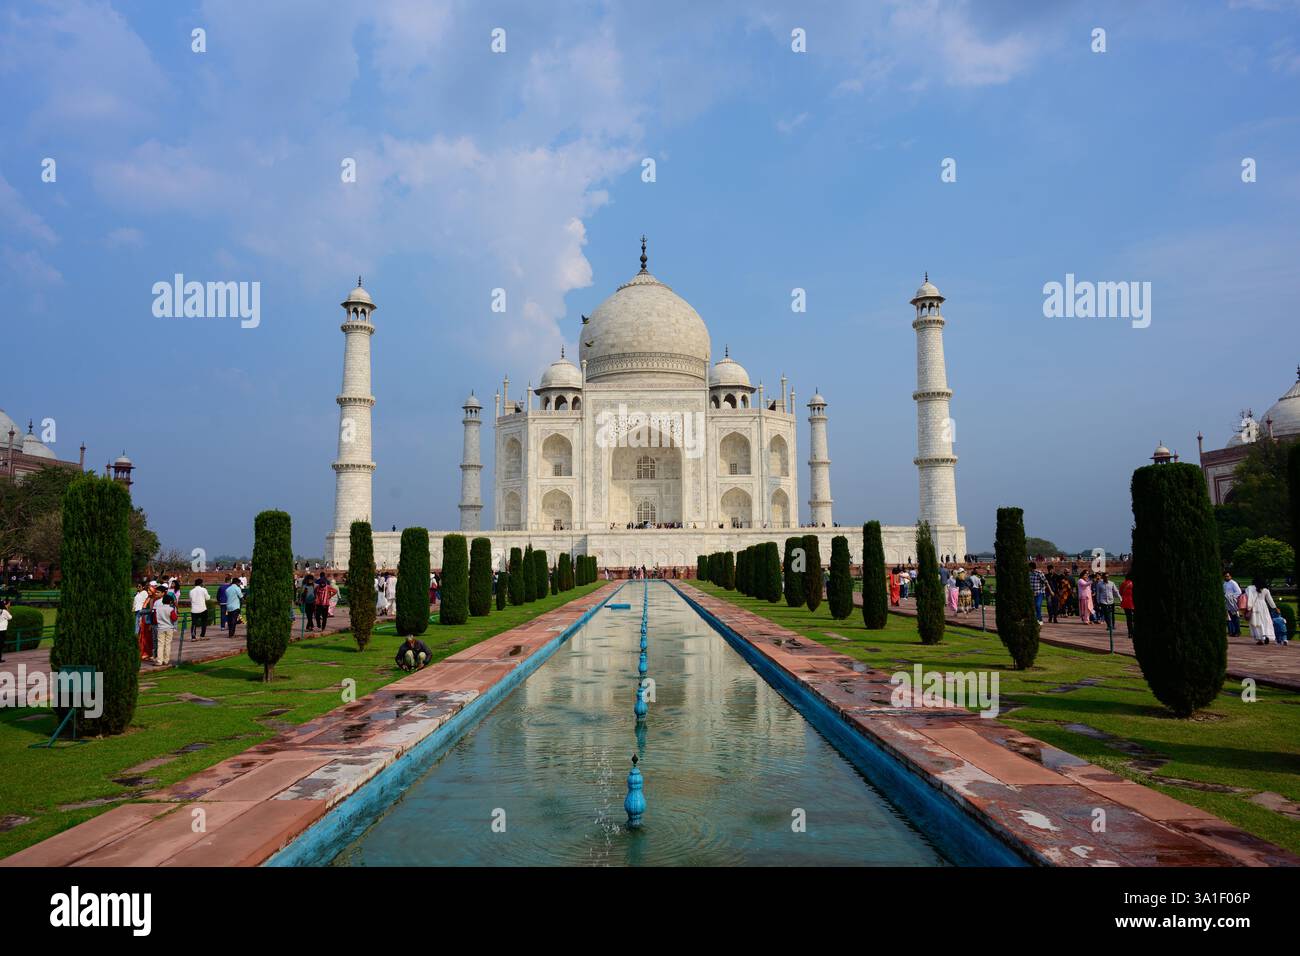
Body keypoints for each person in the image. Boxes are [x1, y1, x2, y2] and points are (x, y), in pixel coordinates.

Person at [1246, 576, 1280, 645]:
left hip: (1255, 607)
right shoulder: (1265, 590)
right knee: (1265, 621)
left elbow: (1248, 597)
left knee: (1257, 623)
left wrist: (1249, 607)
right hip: (1263, 607)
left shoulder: (1250, 588)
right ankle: (1266, 636)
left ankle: (1260, 639)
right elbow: (1270, 600)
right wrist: (1275, 608)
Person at [153, 592, 178, 665]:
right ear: (170, 602)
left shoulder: (158, 609)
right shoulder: (170, 609)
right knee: (167, 644)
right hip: (169, 628)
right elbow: (174, 618)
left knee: (160, 644)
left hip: (160, 628)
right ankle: (166, 660)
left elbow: (155, 619)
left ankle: (159, 661)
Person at [1223, 572, 1243, 637]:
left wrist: (1231, 597)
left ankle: (1238, 631)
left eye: (1228, 576)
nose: (1226, 577)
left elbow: (1239, 592)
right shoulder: (1224, 583)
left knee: (1235, 617)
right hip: (1227, 602)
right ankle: (1233, 631)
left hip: (1233, 602)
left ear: (1230, 576)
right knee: (1231, 617)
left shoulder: (1233, 583)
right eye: (1225, 576)